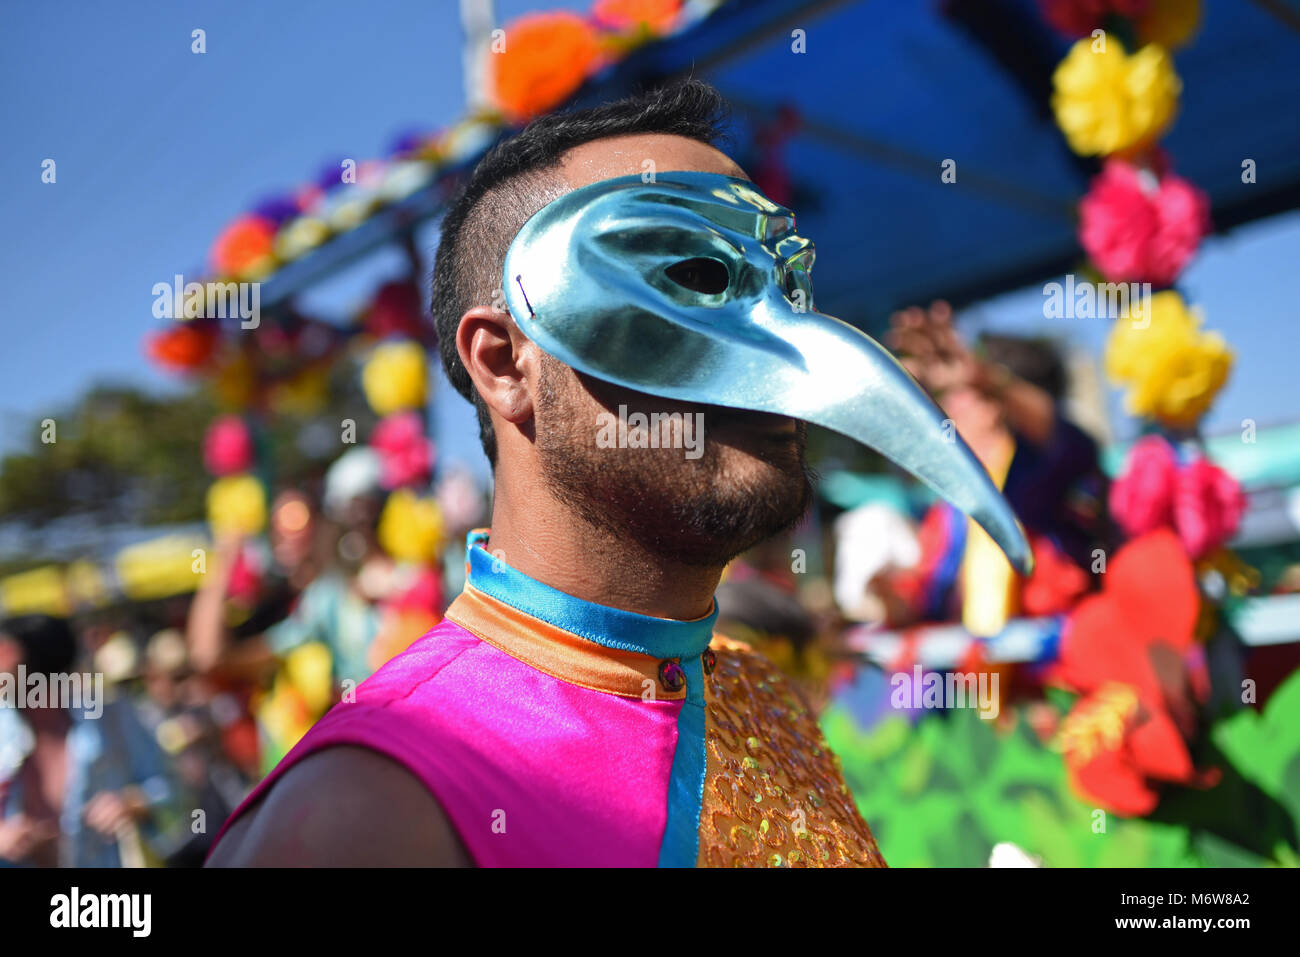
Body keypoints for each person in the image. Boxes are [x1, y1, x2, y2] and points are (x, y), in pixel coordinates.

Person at [208, 81, 1028, 867]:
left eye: (789, 287)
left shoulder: (759, 691)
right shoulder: (375, 811)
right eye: (692, 277)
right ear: (505, 363)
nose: (779, 346)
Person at [0, 615, 178, 867]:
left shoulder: (112, 718)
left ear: (34, 660)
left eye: (3, 651)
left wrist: (134, 804)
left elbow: (176, 794)